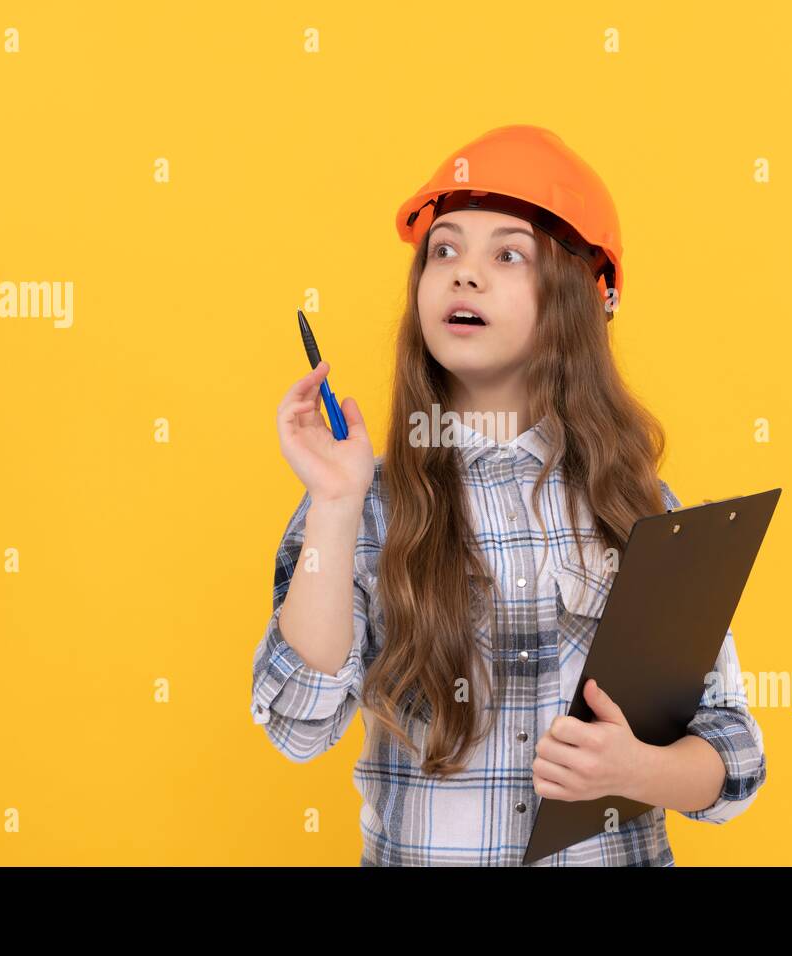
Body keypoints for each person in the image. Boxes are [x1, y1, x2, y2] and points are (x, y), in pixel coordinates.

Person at [252, 125, 766, 865]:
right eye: (445, 251)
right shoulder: (365, 503)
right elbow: (297, 727)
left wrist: (639, 770)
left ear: (581, 300)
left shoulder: (640, 506)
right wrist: (333, 504)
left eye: (508, 254)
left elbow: (734, 750)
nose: (464, 274)